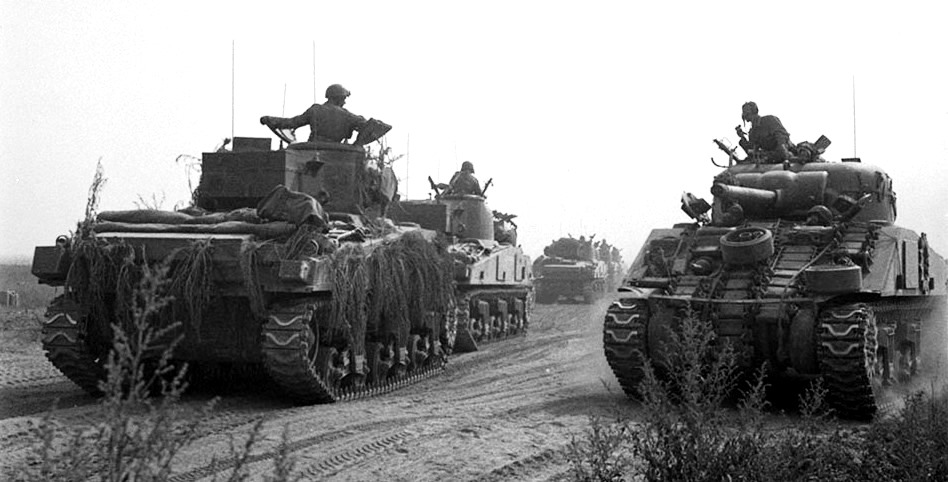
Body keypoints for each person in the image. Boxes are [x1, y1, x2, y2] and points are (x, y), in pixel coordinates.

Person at [260, 84, 367, 143]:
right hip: (336, 154)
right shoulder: (348, 116)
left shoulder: (316, 109)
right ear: (340, 98)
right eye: (344, 99)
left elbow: (292, 122)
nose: (344, 102)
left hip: (311, 152)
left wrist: (270, 119)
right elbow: (367, 126)